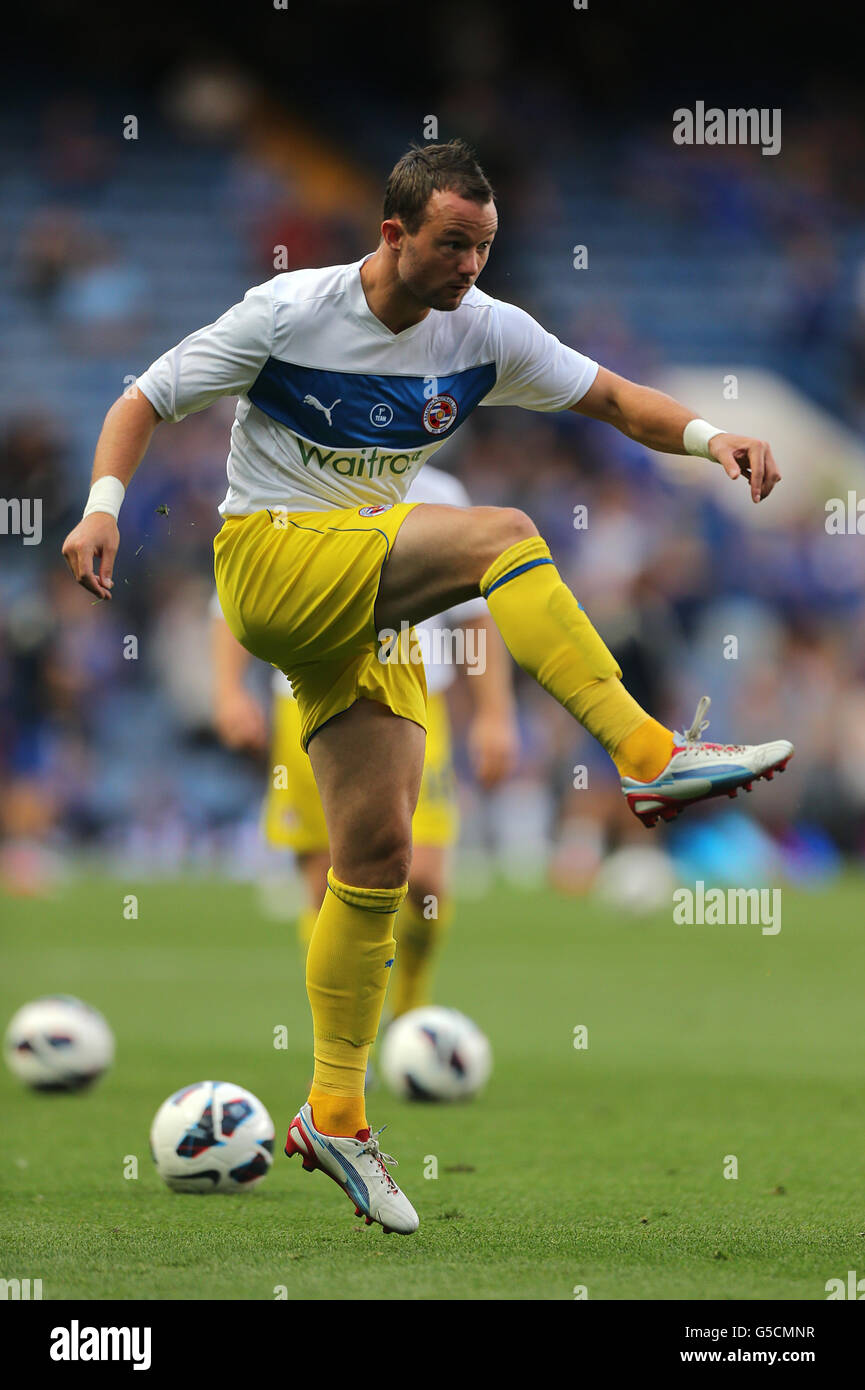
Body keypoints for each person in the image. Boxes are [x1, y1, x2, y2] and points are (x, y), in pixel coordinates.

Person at [62, 139, 793, 1236]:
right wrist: (105, 503)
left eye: (484, 248)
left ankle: (333, 1113)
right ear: (394, 233)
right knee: (502, 531)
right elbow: (140, 400)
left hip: (364, 605)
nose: (469, 267)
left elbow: (611, 400)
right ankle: (649, 759)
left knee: (379, 861)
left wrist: (707, 435)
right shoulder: (288, 311)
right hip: (270, 562)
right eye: (452, 244)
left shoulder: (483, 330)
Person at [211, 462, 519, 1019]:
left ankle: (409, 1011)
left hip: (420, 700)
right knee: (327, 887)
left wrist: (494, 715)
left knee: (423, 883)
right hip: (310, 698)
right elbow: (231, 602)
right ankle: (349, 1040)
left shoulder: (441, 492)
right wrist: (230, 691)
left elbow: (476, 615)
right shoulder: (292, 480)